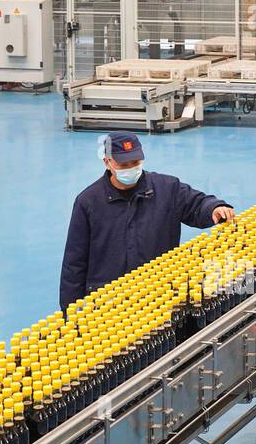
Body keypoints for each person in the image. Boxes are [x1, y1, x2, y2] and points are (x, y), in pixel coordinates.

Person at [60, 131, 235, 310]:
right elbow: (74, 263)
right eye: (123, 164)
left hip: (158, 293)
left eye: (135, 162)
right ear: (107, 162)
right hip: (108, 301)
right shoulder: (88, 202)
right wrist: (71, 312)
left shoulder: (167, 189)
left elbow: (196, 204)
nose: (130, 168)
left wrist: (214, 207)